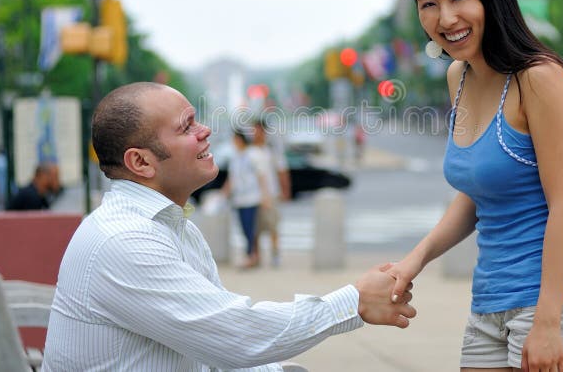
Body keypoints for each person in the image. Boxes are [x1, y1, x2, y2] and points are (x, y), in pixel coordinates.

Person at [43, 82, 416, 371]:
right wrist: (354, 301)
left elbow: (221, 347)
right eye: (186, 126)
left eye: (196, 119)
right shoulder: (123, 240)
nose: (205, 131)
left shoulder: (175, 227)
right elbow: (236, 334)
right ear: (140, 162)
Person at [387, 0, 563, 372]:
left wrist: (548, 322)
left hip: (561, 306)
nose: (446, 17)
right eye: (428, 3)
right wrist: (415, 259)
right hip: (490, 306)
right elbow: (478, 194)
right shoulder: (459, 77)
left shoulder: (539, 79)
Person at [251, 119, 289, 267]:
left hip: (271, 194)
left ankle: (275, 254)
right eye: (254, 130)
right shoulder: (249, 150)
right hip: (253, 196)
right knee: (256, 228)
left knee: (273, 226)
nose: (256, 134)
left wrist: (285, 191)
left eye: (258, 130)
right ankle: (257, 256)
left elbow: (282, 171)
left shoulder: (271, 151)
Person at [222, 130, 262, 269]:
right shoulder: (235, 157)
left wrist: (265, 196)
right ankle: (252, 255)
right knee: (244, 228)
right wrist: (224, 193)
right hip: (239, 199)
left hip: (252, 198)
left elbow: (260, 176)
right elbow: (231, 178)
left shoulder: (251, 155)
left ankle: (251, 256)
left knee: (250, 227)